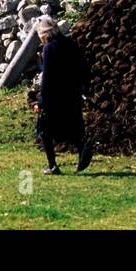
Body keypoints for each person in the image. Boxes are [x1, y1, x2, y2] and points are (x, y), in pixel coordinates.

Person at [32, 15, 93, 174]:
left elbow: (48, 77)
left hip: (54, 96)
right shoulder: (70, 43)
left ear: (44, 34)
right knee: (70, 126)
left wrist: (41, 101)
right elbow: (83, 68)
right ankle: (83, 149)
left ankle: (52, 165)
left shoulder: (49, 48)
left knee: (44, 130)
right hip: (72, 94)